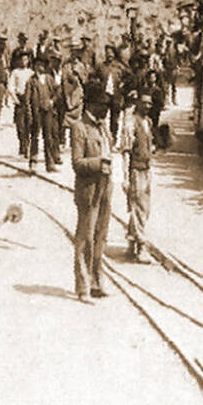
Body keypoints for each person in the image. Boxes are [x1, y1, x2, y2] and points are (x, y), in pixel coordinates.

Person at [72, 82, 115, 303]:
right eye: (103, 104)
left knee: (101, 236)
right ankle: (83, 286)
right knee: (85, 238)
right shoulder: (80, 127)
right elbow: (77, 163)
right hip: (89, 189)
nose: (107, 109)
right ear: (92, 104)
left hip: (105, 186)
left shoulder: (102, 127)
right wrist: (100, 162)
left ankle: (97, 281)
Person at [27, 55, 62, 171]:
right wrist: (29, 113)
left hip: (48, 112)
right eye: (37, 65)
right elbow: (27, 99)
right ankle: (33, 161)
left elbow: (58, 90)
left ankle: (50, 163)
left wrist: (52, 100)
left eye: (42, 65)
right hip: (36, 112)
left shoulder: (48, 79)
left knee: (48, 137)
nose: (40, 67)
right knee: (35, 137)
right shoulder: (31, 81)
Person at [8, 52, 34, 158]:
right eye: (22, 60)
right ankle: (22, 144)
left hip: (29, 100)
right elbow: (10, 86)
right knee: (20, 125)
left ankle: (27, 146)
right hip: (20, 99)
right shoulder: (15, 72)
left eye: (26, 60)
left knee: (29, 124)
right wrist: (15, 99)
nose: (24, 62)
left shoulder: (31, 73)